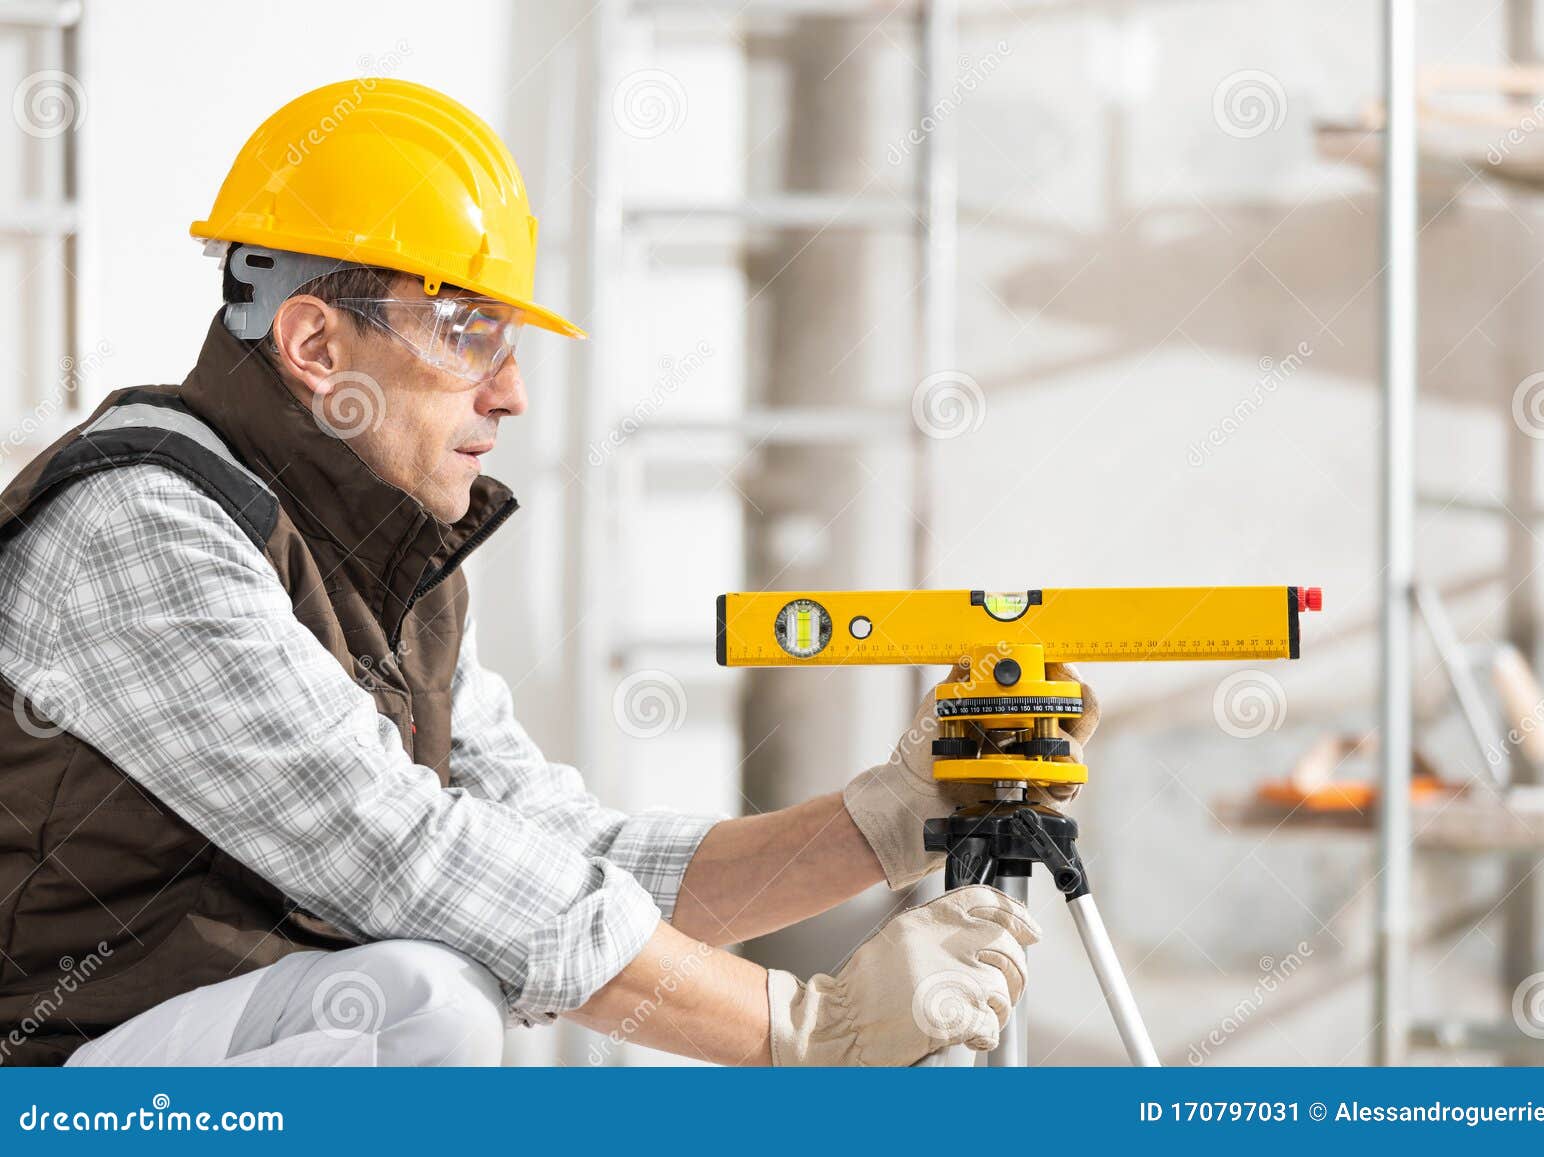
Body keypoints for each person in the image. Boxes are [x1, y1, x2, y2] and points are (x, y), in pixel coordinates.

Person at [0, 79, 1097, 1067]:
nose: (513, 392)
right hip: (53, 1081)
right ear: (317, 345)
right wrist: (801, 1031)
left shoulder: (388, 561)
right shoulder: (140, 524)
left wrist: (885, 820)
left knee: (445, 977)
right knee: (422, 1000)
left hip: (192, 1050)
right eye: (470, 332)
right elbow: (394, 850)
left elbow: (563, 857)